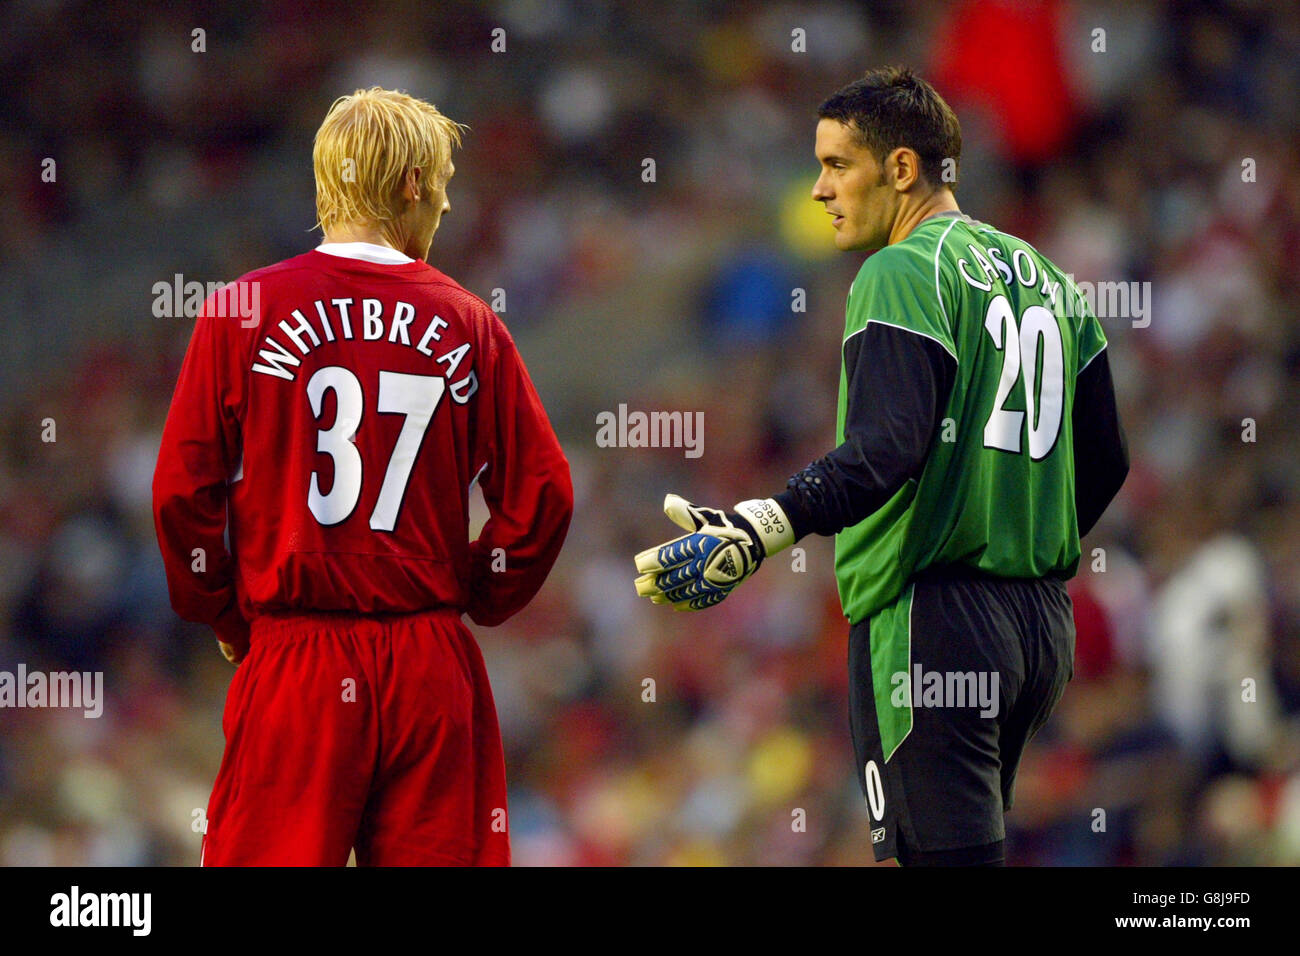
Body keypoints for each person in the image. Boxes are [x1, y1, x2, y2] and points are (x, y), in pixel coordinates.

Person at [634, 67, 1128, 867]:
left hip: (931, 622)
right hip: (1039, 629)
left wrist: (767, 524)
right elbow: (1106, 459)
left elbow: (888, 447)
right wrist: (1016, 533)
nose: (820, 189)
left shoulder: (898, 271)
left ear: (901, 169)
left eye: (837, 165)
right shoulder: (1051, 282)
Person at [153, 88, 573, 866]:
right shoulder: (473, 322)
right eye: (444, 182)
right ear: (413, 183)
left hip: (296, 660)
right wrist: (477, 592)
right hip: (427, 663)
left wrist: (226, 614)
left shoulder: (241, 308)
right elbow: (543, 495)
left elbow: (182, 491)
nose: (447, 206)